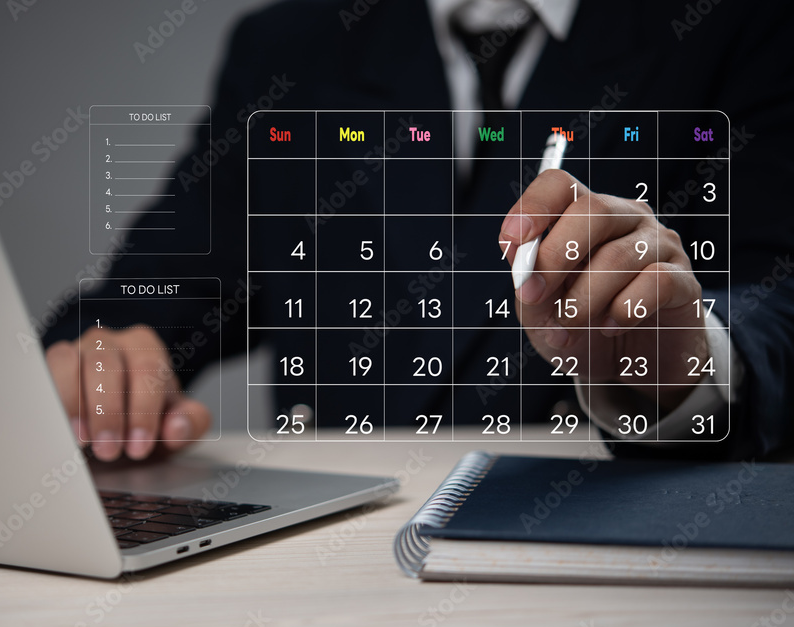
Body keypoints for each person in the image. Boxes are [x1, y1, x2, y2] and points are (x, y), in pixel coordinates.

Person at [43, 0, 794, 462]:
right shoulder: (286, 49)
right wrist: (107, 365)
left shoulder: (744, 27)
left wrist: (682, 362)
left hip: (598, 548)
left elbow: (778, 303)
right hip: (334, 574)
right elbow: (151, 293)